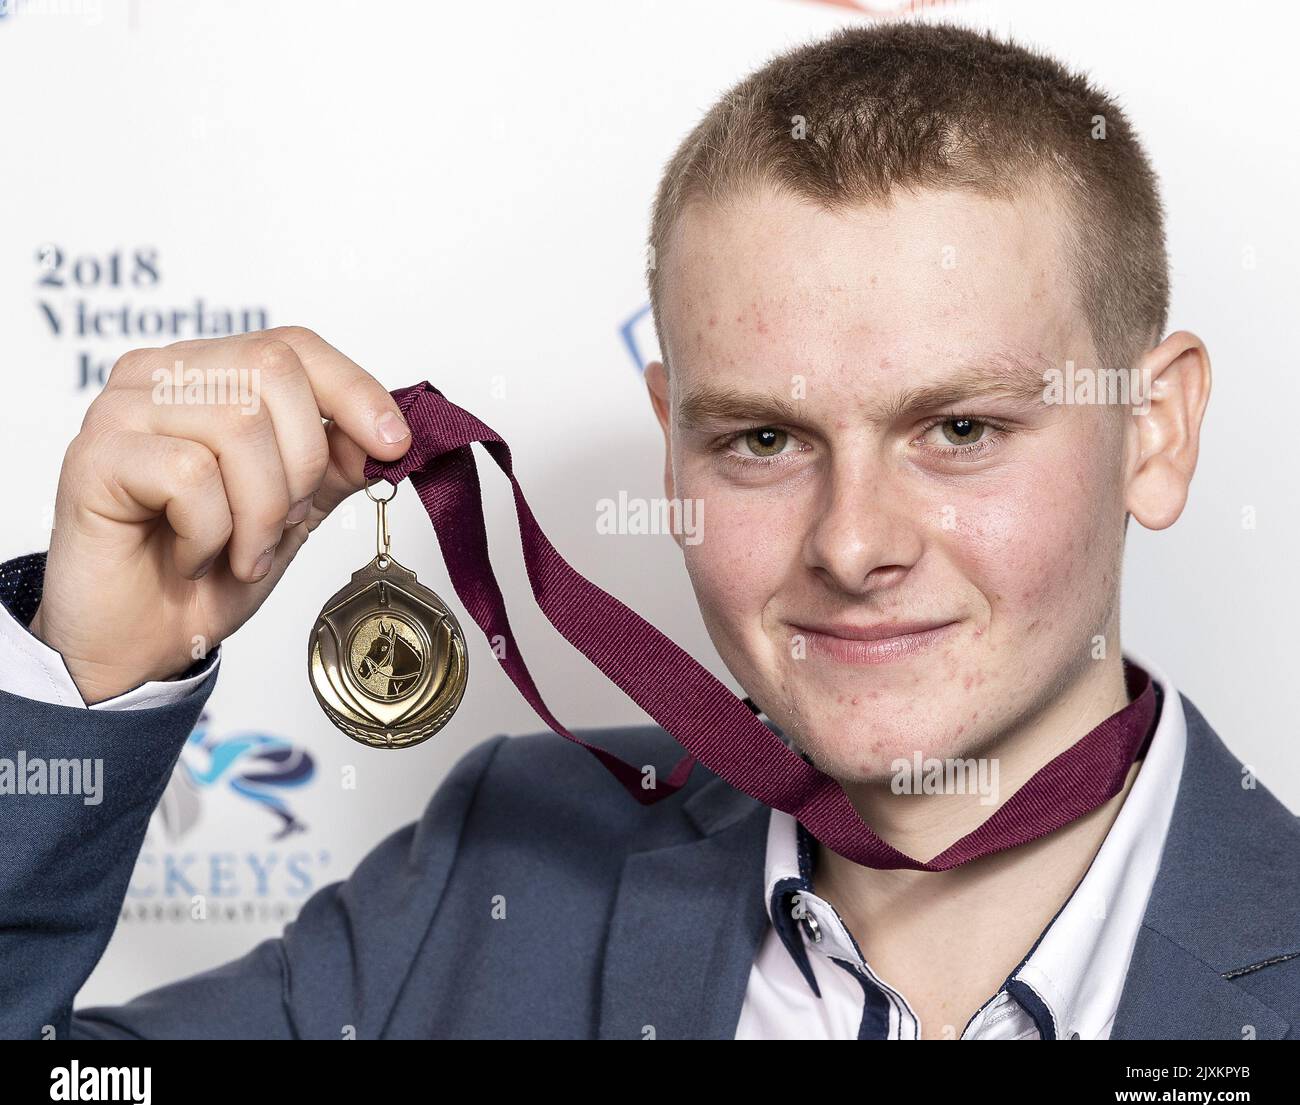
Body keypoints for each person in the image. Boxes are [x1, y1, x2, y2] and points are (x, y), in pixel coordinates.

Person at [1, 20, 1295, 1041]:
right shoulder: (499, 870)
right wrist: (88, 674)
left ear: (1156, 429)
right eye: (765, 439)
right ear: (673, 440)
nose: (852, 546)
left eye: (957, 429)